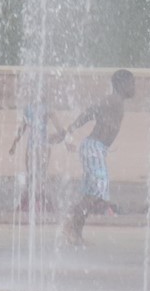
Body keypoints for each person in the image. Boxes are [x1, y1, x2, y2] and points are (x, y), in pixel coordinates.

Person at [52, 69, 135, 246]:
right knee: (98, 191)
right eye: (131, 83)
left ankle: (76, 234)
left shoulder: (117, 102)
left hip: (98, 149)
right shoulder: (112, 100)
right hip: (93, 148)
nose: (134, 87)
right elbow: (89, 112)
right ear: (121, 85)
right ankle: (69, 223)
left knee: (91, 193)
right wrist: (68, 131)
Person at [9, 92, 70, 217]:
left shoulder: (31, 108)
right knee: (39, 175)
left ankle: (29, 205)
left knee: (32, 175)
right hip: (42, 146)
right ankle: (43, 205)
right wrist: (64, 140)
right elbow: (60, 129)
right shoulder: (45, 109)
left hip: (33, 146)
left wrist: (14, 144)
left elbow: (22, 128)